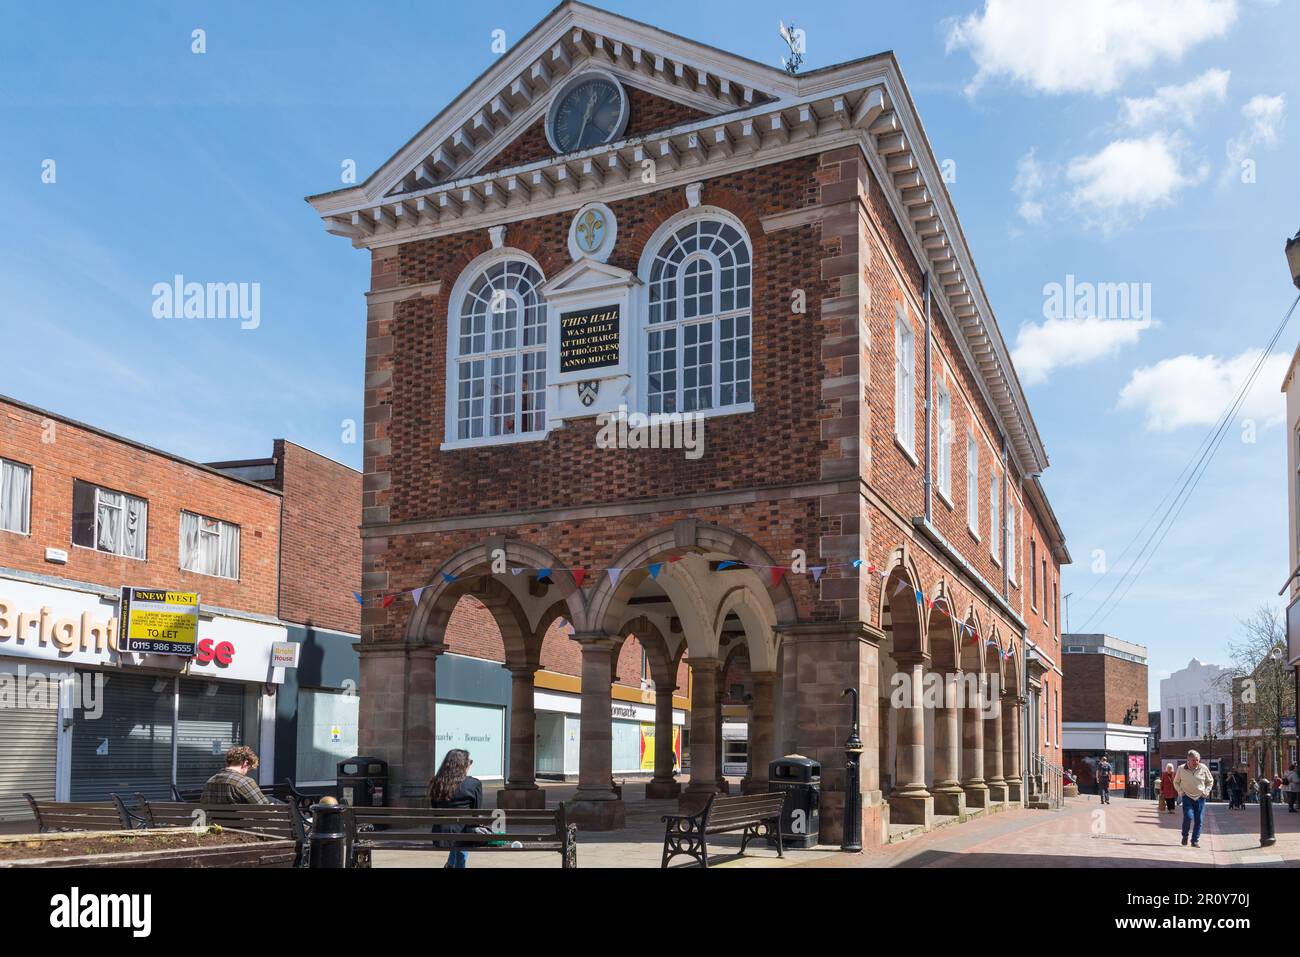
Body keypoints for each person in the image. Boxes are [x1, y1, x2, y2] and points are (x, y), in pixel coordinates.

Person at [428, 749, 482, 869]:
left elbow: (435, 810)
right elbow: (476, 812)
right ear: (463, 764)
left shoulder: (436, 782)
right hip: (464, 834)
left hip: (441, 835)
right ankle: (456, 865)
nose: (470, 764)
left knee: (458, 831)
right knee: (464, 830)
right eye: (470, 762)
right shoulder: (474, 784)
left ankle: (451, 864)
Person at [201, 745, 272, 804]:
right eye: (248, 768)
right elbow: (264, 807)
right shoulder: (244, 781)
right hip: (243, 821)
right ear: (245, 763)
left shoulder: (210, 781)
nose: (247, 772)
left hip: (215, 821)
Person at [1173, 749, 1214, 848]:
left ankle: (1195, 840)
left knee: (1199, 819)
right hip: (1187, 796)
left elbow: (1210, 781)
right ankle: (1185, 836)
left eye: (1197, 760)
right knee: (1188, 816)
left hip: (1200, 797)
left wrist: (1206, 791)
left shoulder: (1203, 768)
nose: (1196, 762)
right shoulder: (1181, 768)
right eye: (1194, 760)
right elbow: (1176, 782)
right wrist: (1180, 791)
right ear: (1188, 760)